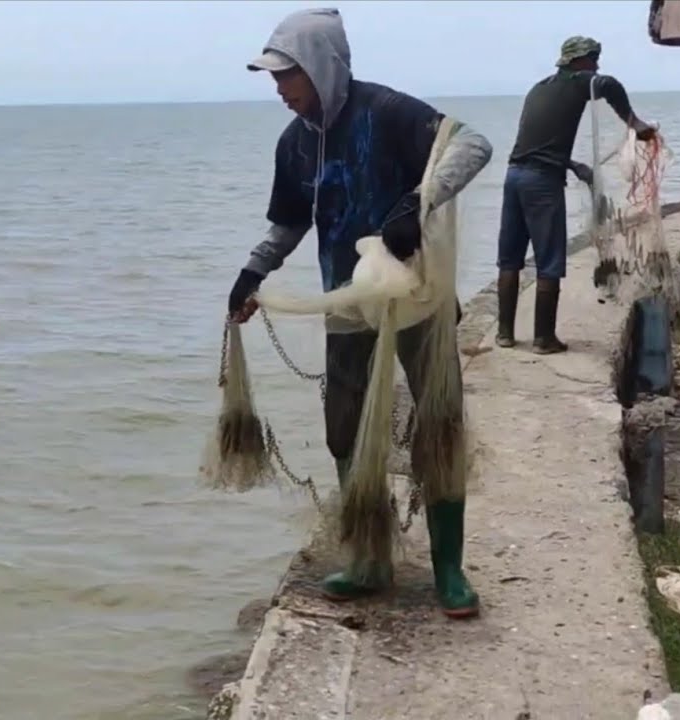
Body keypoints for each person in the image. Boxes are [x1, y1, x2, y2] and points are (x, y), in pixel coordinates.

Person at [226, 8, 493, 618]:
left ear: (319, 68)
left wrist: (415, 202)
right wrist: (253, 271)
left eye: (285, 77)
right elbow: (290, 221)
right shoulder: (294, 144)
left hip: (418, 298)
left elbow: (473, 143)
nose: (280, 92)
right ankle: (369, 557)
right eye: (274, 80)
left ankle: (450, 568)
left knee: (439, 423)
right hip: (346, 304)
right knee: (344, 429)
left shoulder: (388, 111)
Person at [494, 36, 657, 353]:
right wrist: (634, 123)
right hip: (541, 183)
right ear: (579, 61)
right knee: (549, 261)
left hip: (514, 177)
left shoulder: (539, 88)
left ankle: (504, 334)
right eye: (594, 59)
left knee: (509, 259)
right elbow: (608, 84)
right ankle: (544, 339)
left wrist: (572, 165)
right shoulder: (578, 81)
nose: (597, 65)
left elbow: (537, 143)